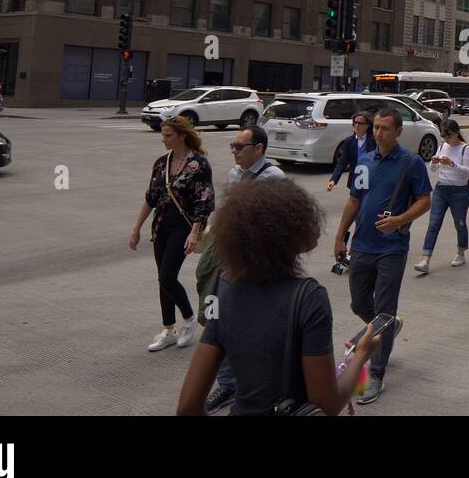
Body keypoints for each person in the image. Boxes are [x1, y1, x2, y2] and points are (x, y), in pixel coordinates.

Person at [176, 178, 383, 416]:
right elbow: (328, 401)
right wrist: (361, 357)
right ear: (291, 231)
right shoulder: (309, 298)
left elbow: (187, 406)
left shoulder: (227, 298)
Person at [332, 109, 432, 404]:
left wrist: (400, 219)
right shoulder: (364, 160)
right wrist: (340, 236)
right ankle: (387, 326)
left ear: (398, 131)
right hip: (362, 244)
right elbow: (354, 199)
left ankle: (375, 375)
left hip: (391, 248)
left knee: (384, 311)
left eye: (385, 128)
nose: (378, 133)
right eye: (375, 128)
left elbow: (426, 200)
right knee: (360, 304)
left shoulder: (410, 163)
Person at [197, 125, 287, 413]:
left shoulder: (274, 179)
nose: (234, 151)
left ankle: (262, 385)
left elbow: (281, 227)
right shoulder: (233, 175)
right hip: (229, 262)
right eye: (232, 146)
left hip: (260, 267)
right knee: (221, 323)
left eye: (240, 147)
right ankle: (227, 385)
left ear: (258, 149)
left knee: (258, 328)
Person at [130, 116, 215, 352]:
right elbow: (151, 198)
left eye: (168, 135)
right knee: (162, 278)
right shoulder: (161, 163)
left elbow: (204, 199)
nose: (163, 139)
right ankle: (168, 329)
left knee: (168, 276)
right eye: (163, 134)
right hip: (161, 227)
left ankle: (188, 320)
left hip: (184, 227)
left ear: (182, 135)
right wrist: (136, 228)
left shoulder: (198, 164)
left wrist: (194, 232)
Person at [416, 119, 469, 273]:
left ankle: (461, 253)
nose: (447, 139)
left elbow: (467, 171)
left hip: (459, 192)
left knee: (459, 224)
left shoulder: (465, 149)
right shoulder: (442, 146)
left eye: (449, 136)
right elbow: (434, 170)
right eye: (444, 136)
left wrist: (452, 163)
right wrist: (434, 162)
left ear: (457, 133)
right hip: (441, 189)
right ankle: (425, 260)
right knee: (434, 224)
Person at [327, 111, 376, 192]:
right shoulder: (349, 141)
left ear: (368, 125)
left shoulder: (374, 140)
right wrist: (334, 179)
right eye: (355, 123)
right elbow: (342, 162)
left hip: (371, 178)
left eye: (360, 123)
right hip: (355, 178)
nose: (356, 125)